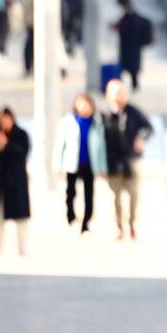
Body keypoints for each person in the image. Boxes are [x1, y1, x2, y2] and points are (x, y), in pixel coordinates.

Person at [103, 78, 154, 240]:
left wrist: (141, 138)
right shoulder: (104, 115)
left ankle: (132, 223)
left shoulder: (133, 112)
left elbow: (148, 128)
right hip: (112, 162)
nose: (120, 97)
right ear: (108, 95)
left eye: (122, 93)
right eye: (116, 93)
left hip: (131, 160)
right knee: (114, 197)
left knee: (134, 194)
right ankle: (118, 226)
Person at [53, 92, 107, 234]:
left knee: (89, 194)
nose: (84, 106)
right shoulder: (68, 121)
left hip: (89, 164)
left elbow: (101, 147)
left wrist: (102, 168)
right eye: (81, 103)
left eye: (87, 103)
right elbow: (60, 144)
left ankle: (86, 223)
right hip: (72, 163)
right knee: (71, 192)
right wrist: (58, 166)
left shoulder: (97, 122)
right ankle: (70, 215)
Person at [0, 106, 30, 255]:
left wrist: (7, 144)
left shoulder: (21, 134)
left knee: (21, 218)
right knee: (0, 217)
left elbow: (23, 153)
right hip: (3, 180)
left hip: (18, 180)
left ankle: (23, 248)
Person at [112, 0, 153, 90]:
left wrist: (118, 27)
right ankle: (129, 85)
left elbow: (128, 28)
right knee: (130, 68)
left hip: (131, 47)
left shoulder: (130, 15)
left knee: (130, 67)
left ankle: (129, 85)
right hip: (132, 47)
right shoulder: (131, 13)